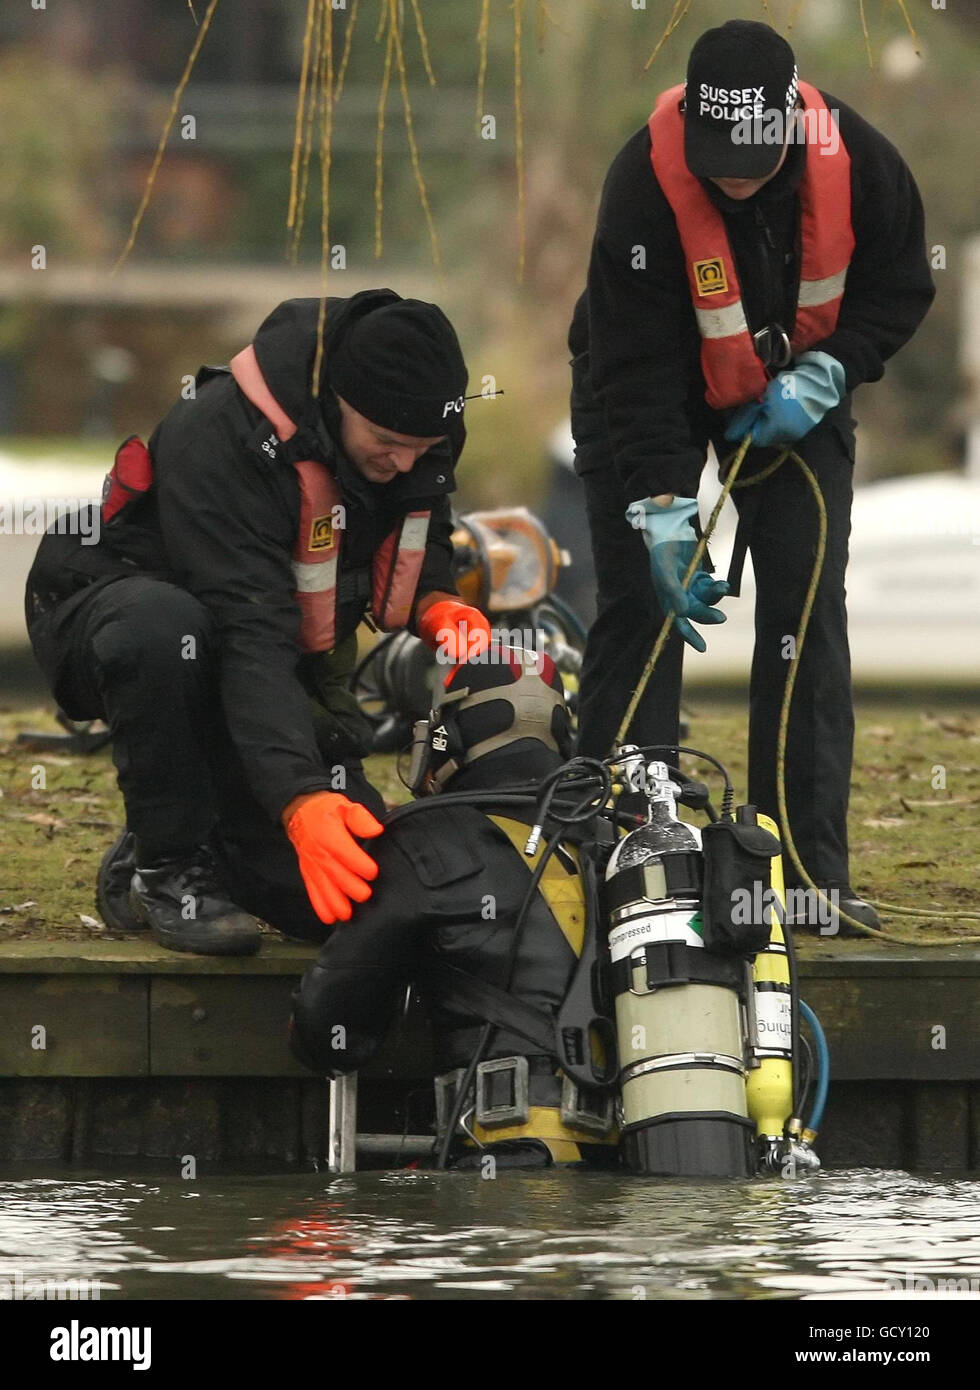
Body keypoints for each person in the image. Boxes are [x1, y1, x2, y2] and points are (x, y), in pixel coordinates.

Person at [568, 19, 935, 934]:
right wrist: (660, 506)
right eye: (716, 156)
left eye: (752, 157)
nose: (732, 174)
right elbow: (633, 364)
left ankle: (803, 872)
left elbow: (901, 285)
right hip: (647, 385)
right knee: (638, 609)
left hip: (796, 391)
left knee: (805, 616)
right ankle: (623, 852)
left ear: (791, 124)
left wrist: (833, 368)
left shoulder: (860, 157)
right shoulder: (641, 185)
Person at [24, 289, 491, 955]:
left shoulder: (411, 432)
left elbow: (421, 516)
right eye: (389, 443)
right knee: (164, 630)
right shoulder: (222, 434)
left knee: (356, 901)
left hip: (254, 644)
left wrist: (437, 600)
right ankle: (163, 865)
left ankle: (208, 813)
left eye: (426, 446)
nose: (407, 462)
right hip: (111, 607)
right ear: (338, 403)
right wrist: (299, 799)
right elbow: (253, 640)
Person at [290, 648, 619, 1169]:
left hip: (504, 1170)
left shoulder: (423, 841)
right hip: (640, 1164)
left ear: (450, 737)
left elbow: (331, 1034)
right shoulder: (622, 841)